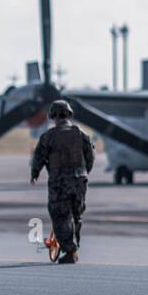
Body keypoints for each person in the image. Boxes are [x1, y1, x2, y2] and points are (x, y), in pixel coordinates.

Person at [30, 99, 94, 264]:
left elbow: (38, 158)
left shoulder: (48, 137)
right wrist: (83, 173)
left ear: (52, 115)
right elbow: (90, 158)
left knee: (60, 216)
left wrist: (34, 173)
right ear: (69, 114)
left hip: (59, 182)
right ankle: (74, 246)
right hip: (80, 180)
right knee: (76, 215)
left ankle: (70, 250)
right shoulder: (82, 134)